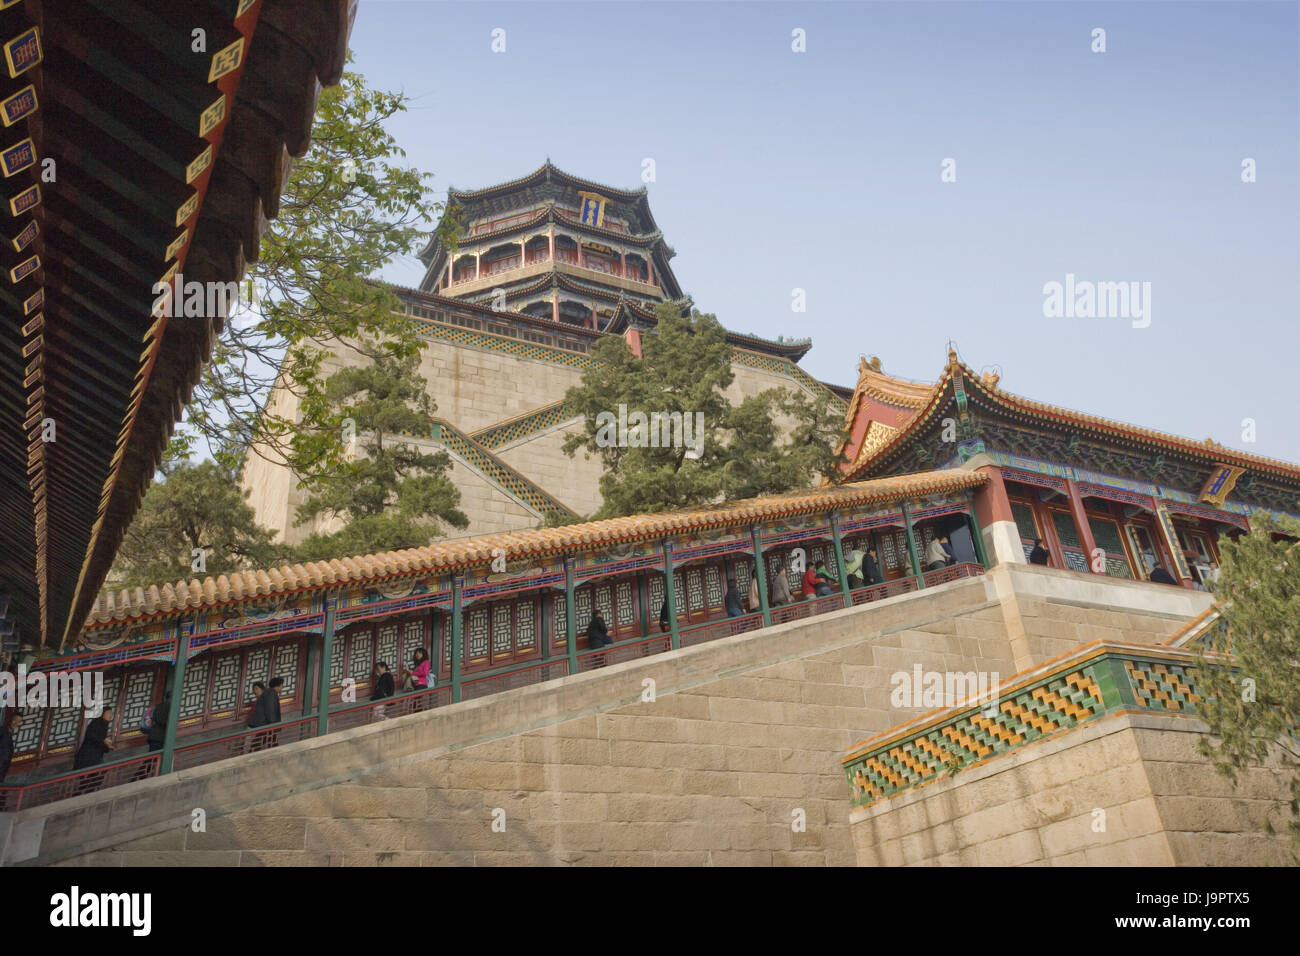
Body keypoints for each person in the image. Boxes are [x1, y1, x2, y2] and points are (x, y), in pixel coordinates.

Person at [73, 706, 114, 771]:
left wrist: (107, 746)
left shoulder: (104, 725)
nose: (111, 715)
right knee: (92, 774)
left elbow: (100, 740)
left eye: (111, 713)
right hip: (88, 756)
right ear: (102, 714)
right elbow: (92, 737)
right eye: (108, 713)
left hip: (96, 755)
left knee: (99, 773)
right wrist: (104, 741)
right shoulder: (96, 723)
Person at [0, 711, 20, 783]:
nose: (16, 723)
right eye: (15, 720)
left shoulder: (10, 733)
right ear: (10, 719)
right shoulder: (2, 730)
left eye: (18, 721)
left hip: (4, 765)